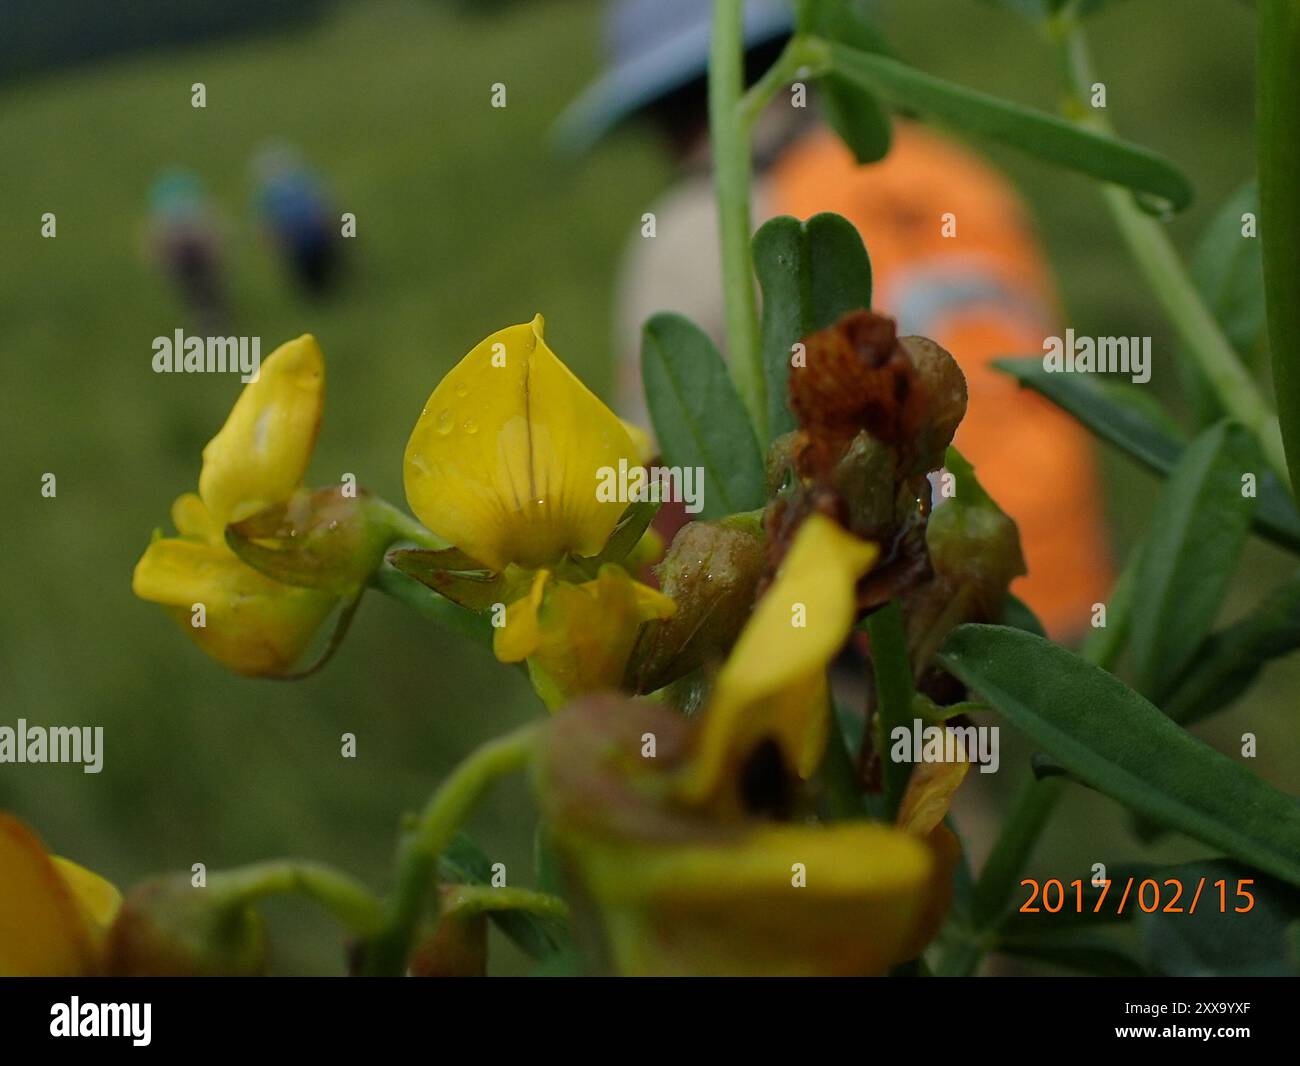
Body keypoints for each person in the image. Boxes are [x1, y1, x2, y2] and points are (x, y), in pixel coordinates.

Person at [556, 0, 1112, 638]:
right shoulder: (948, 170)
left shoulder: (690, 230)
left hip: (878, 633)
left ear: (665, 114)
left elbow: (662, 491)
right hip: (1052, 582)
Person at [251, 142, 340, 297]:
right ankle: (318, 294)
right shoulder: (268, 195)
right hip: (294, 240)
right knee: (306, 270)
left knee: (326, 260)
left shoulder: (302, 181)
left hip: (316, 233)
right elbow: (266, 221)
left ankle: (331, 288)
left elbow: (322, 201)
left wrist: (331, 220)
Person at [145, 168, 228, 333]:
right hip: (186, 257)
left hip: (194, 255)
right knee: (199, 293)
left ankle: (215, 321)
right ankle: (210, 323)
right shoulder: (187, 210)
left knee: (207, 291)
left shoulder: (169, 212)